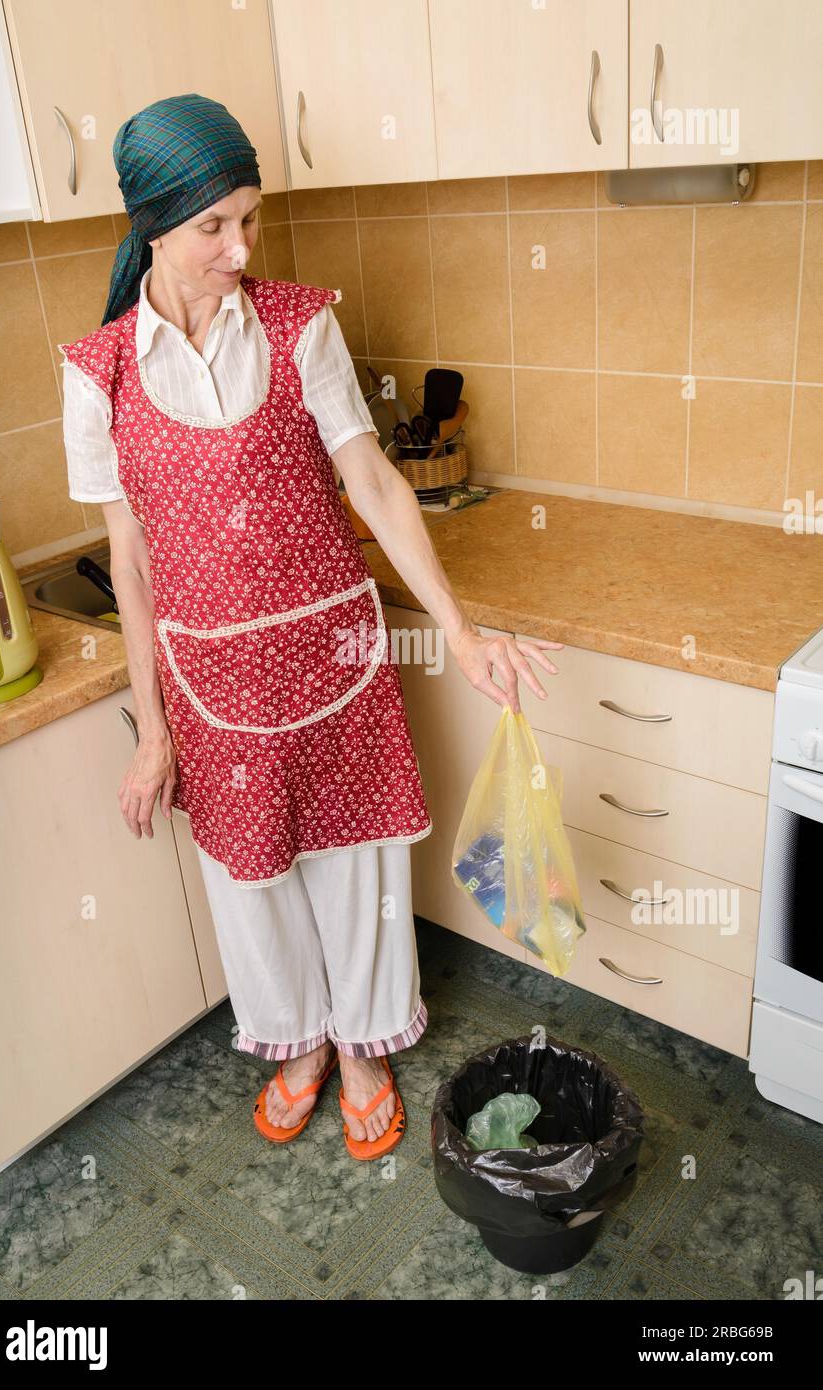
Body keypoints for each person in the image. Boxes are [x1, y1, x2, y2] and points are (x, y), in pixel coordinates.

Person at [59, 93, 562, 1161]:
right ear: (152, 223)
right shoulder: (96, 373)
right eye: (214, 226)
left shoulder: (299, 323)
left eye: (251, 217)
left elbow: (374, 483)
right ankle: (298, 1044)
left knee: (357, 866)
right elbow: (133, 565)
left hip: (333, 657)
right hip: (211, 684)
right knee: (252, 878)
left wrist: (463, 633)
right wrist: (153, 730)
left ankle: (367, 1046)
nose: (242, 246)